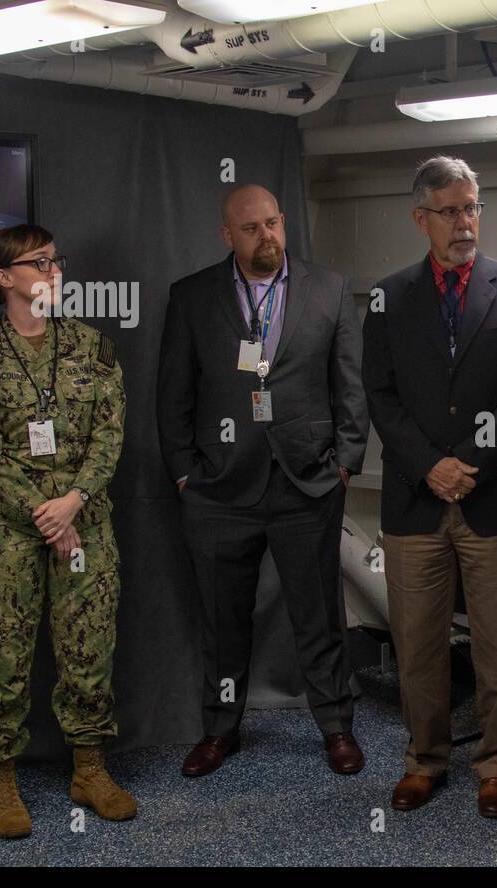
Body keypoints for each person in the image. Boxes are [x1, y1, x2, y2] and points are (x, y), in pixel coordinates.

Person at [157, 184, 369, 778]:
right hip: (220, 490)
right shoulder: (193, 297)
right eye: (251, 228)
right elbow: (173, 396)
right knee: (223, 623)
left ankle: (336, 727)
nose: (267, 236)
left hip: (307, 481)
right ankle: (219, 731)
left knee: (319, 615)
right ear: (228, 235)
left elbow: (350, 387)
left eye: (274, 223)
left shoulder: (328, 289)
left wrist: (344, 464)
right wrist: (183, 476)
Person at [363, 156, 497, 819]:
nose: (465, 222)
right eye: (451, 210)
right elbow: (380, 395)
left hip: (495, 495)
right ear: (422, 219)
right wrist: (428, 466)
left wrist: (467, 463)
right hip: (416, 499)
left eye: (472, 207)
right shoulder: (388, 295)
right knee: (417, 644)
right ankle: (425, 760)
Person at [0, 224, 133, 839]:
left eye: (57, 262)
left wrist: (73, 502)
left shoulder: (93, 348)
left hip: (85, 527)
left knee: (89, 653)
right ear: (5, 278)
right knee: (2, 661)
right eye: (40, 263)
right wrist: (46, 514)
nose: (54, 273)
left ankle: (90, 769)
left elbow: (109, 438)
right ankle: (0, 781)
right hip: (7, 539)